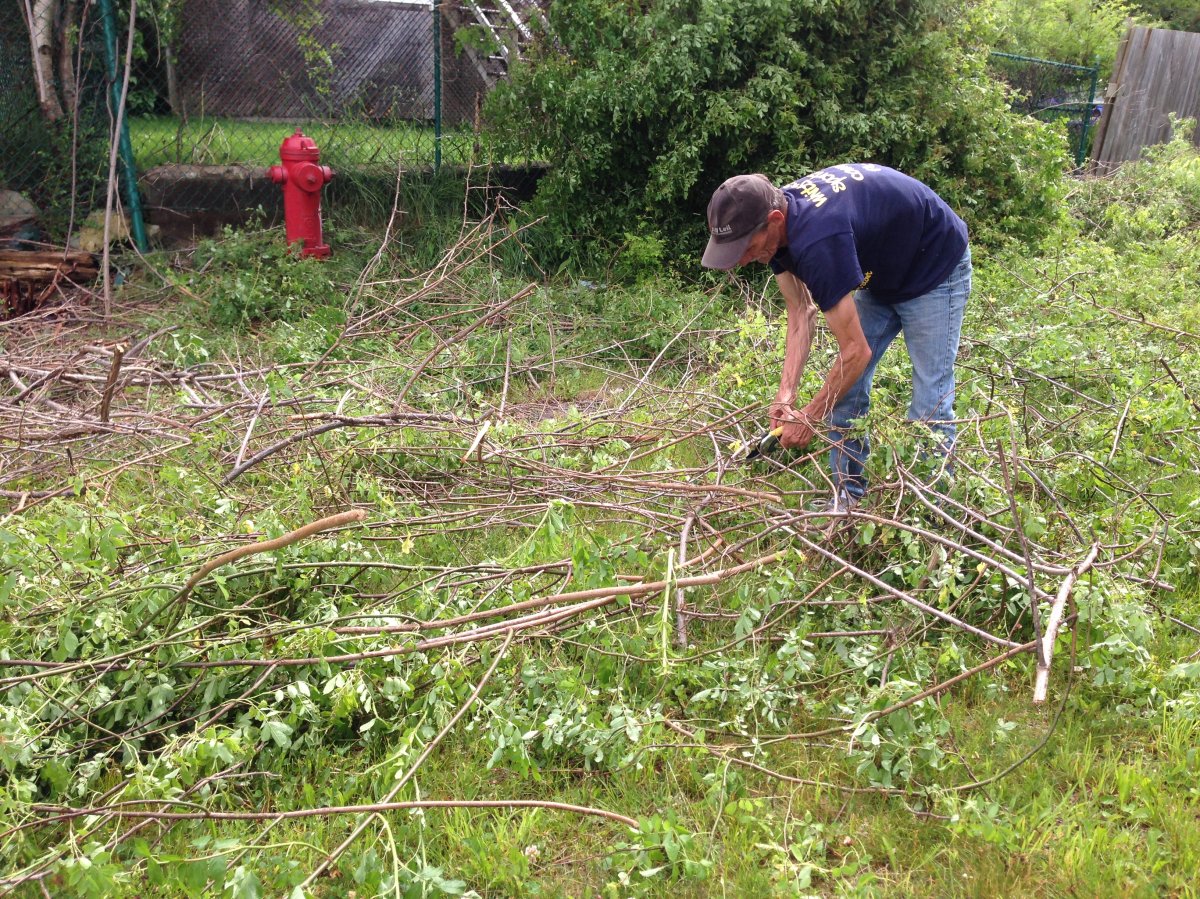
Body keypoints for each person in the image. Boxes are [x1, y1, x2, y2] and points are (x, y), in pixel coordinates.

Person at [701, 164, 971, 511]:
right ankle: (848, 500)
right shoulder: (773, 223)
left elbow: (855, 352)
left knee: (929, 401)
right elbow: (801, 311)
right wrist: (787, 394)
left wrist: (811, 415)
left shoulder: (817, 240)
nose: (741, 259)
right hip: (883, 273)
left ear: (774, 221)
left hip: (934, 265)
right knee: (846, 391)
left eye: (745, 247)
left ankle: (932, 511)